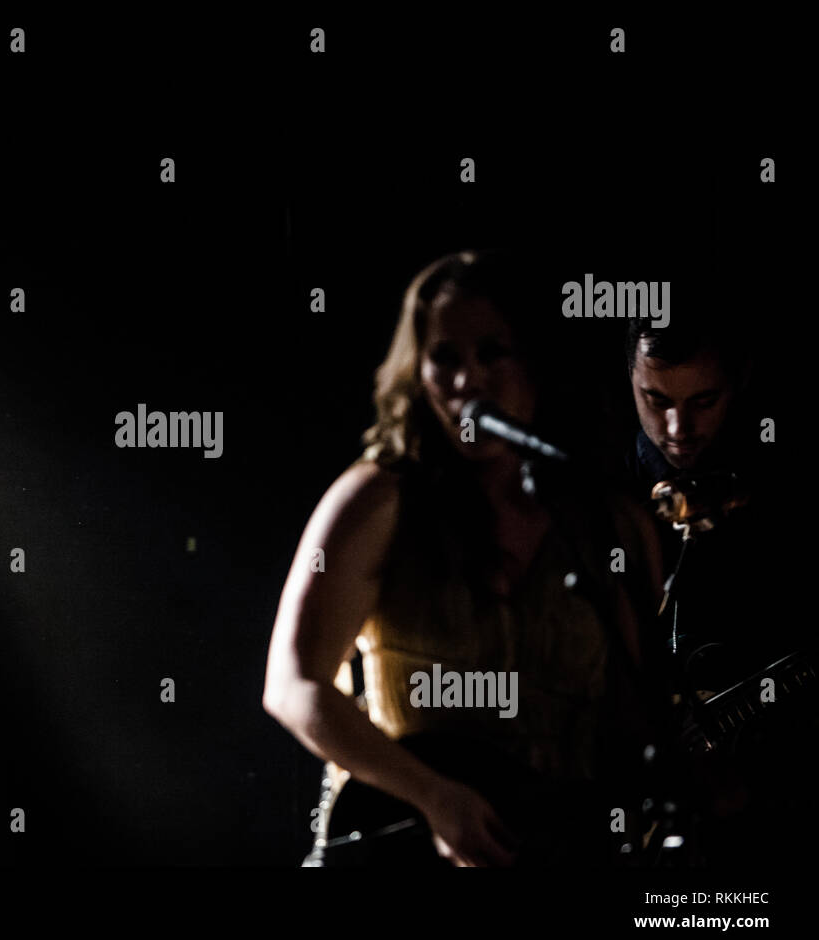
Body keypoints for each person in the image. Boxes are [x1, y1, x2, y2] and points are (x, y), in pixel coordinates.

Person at [264, 251, 665, 867]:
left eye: (492, 353)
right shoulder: (377, 498)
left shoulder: (608, 522)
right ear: (416, 371)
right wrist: (432, 796)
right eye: (444, 358)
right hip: (404, 842)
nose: (466, 381)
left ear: (535, 360)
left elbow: (640, 722)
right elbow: (292, 685)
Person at [623, 315, 813, 866]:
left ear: (741, 380)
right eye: (655, 399)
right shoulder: (600, 495)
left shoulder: (789, 487)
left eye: (704, 401)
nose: (678, 427)